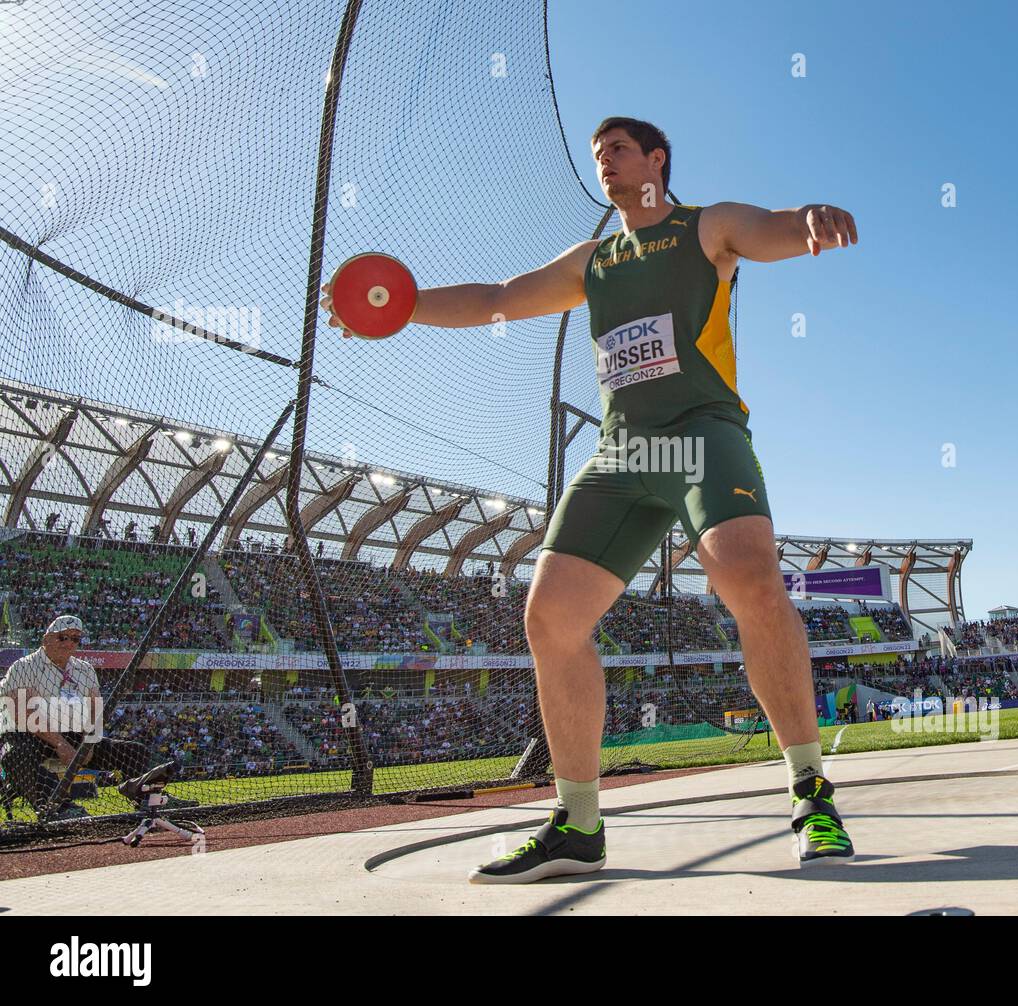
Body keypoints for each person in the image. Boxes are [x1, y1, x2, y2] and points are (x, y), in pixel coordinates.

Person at [322, 116, 858, 883]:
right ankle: (577, 824)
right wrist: (398, 306)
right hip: (625, 451)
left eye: (618, 150)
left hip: (701, 434)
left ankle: (810, 791)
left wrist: (807, 223)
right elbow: (498, 298)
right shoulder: (595, 259)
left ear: (656, 159)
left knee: (747, 572)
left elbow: (767, 228)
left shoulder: (706, 228)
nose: (604, 163)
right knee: (549, 618)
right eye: (598, 153)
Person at [0, 616, 152, 818]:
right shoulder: (24, 666)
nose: (70, 643)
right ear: (47, 639)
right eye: (63, 637)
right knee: (16, 755)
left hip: (72, 733)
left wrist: (89, 741)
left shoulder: (84, 669)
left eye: (75, 639)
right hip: (24, 734)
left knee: (134, 751)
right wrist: (61, 744)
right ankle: (57, 808)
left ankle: (148, 798)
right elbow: (25, 715)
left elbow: (95, 709)